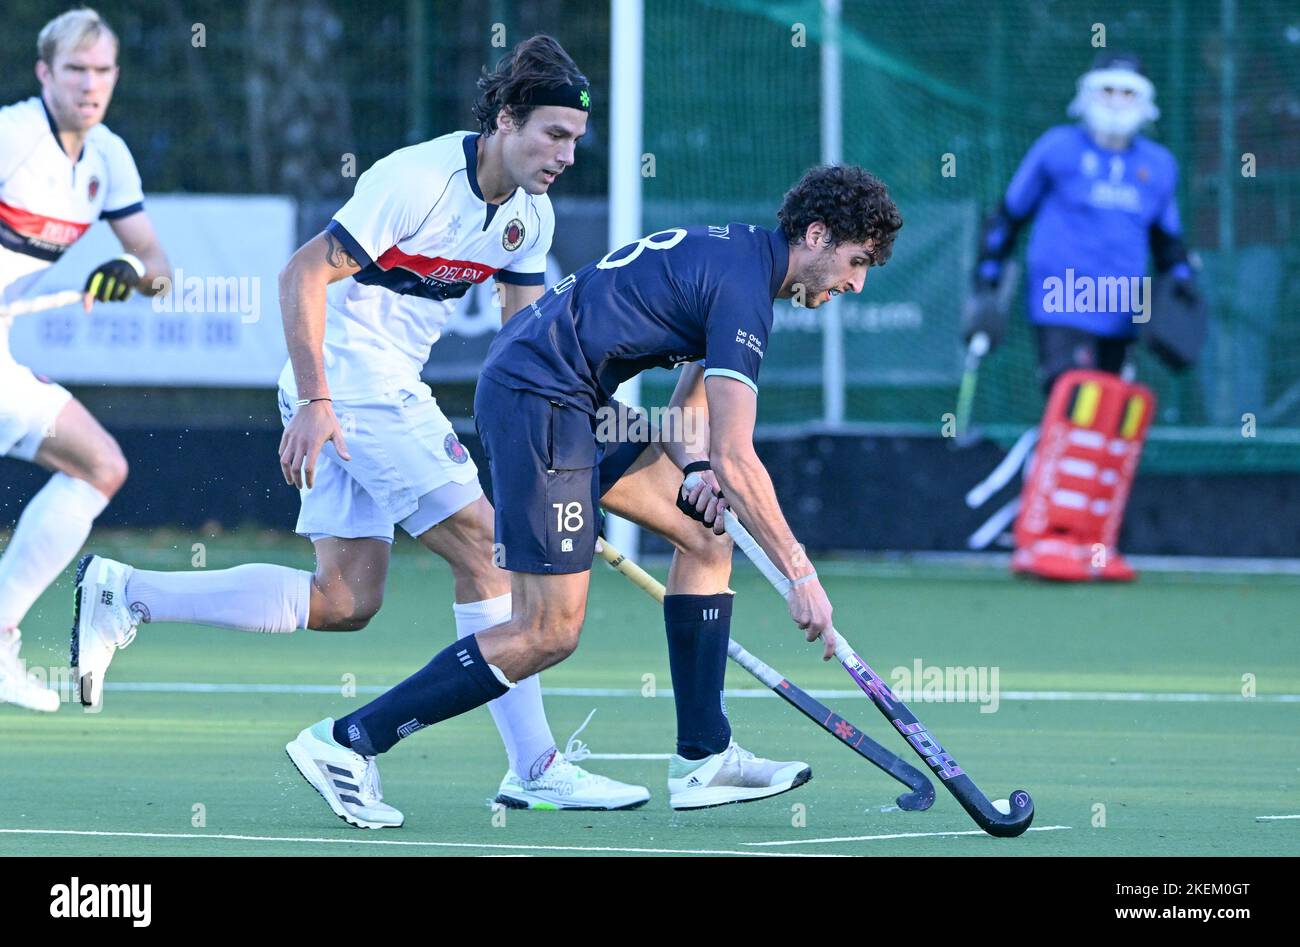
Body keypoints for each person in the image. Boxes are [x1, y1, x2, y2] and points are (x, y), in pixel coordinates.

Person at [73, 35, 647, 810]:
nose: (566, 155)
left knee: (345, 600)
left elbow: (523, 355)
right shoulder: (414, 180)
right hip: (348, 382)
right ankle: (532, 767)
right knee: (487, 549)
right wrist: (316, 401)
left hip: (382, 389)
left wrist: (544, 461)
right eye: (553, 133)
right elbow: (301, 271)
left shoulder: (530, 219)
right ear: (507, 120)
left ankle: (128, 591)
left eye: (576, 140)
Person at [284, 164, 903, 827]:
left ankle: (704, 758)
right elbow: (738, 454)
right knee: (548, 629)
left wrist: (692, 467)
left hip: (575, 403)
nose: (855, 283)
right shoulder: (746, 283)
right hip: (542, 403)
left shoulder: (741, 260)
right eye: (856, 261)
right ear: (816, 234)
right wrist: (799, 574)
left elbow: (700, 410)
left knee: (705, 531)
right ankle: (347, 743)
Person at [964, 51, 1203, 581]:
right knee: (1070, 410)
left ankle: (1094, 544)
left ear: (1145, 105)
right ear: (1087, 96)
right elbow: (1009, 215)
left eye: (1128, 94)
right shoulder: (1057, 148)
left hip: (1127, 304)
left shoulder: (1158, 165)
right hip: (1062, 298)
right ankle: (1041, 539)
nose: (1117, 103)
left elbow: (1169, 244)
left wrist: (1183, 286)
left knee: (1114, 422)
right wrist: (986, 276)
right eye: (1107, 91)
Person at [0, 8, 169, 712]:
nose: (90, 84)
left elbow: (160, 267)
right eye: (75, 69)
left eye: (102, 71)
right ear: (44, 73)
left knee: (101, 465)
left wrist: (127, 269)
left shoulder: (109, 157)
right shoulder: (12, 135)